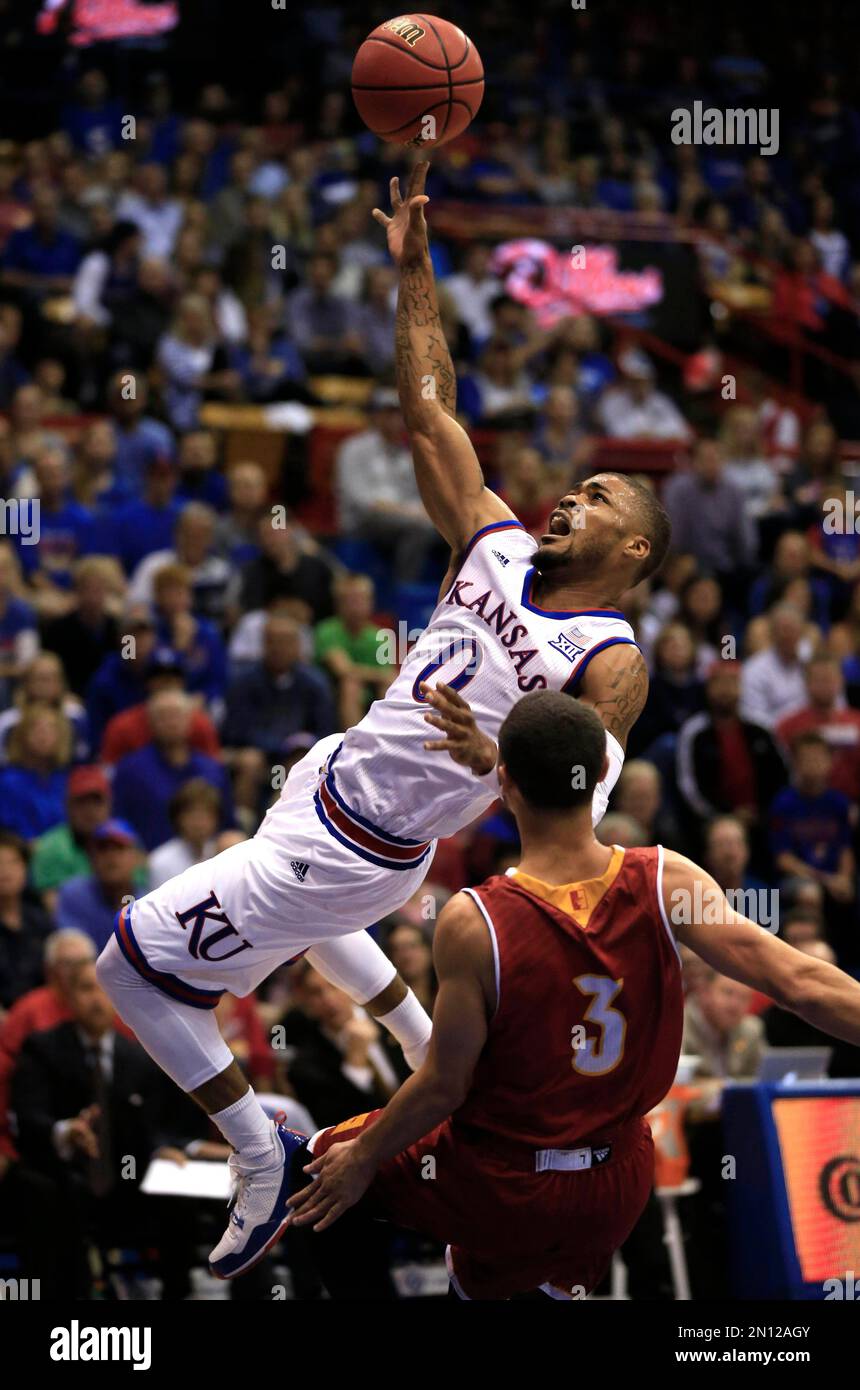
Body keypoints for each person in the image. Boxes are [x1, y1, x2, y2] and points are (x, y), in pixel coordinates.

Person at [95, 163, 665, 1280]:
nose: (571, 496)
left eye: (598, 494)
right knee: (295, 905)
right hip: (332, 779)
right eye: (577, 484)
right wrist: (413, 267)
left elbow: (584, 797)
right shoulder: (495, 541)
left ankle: (258, 1152)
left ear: (634, 550)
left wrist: (499, 762)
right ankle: (415, 1041)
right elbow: (428, 406)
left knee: (129, 972)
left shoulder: (607, 657)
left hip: (352, 851)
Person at [288, 690, 860, 1300]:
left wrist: (363, 1158)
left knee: (319, 1172)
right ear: (602, 775)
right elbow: (800, 983)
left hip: (506, 1181)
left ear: (506, 781)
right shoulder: (669, 880)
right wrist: (500, 761)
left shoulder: (473, 920)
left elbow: (443, 1087)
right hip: (616, 1186)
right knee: (513, 1270)